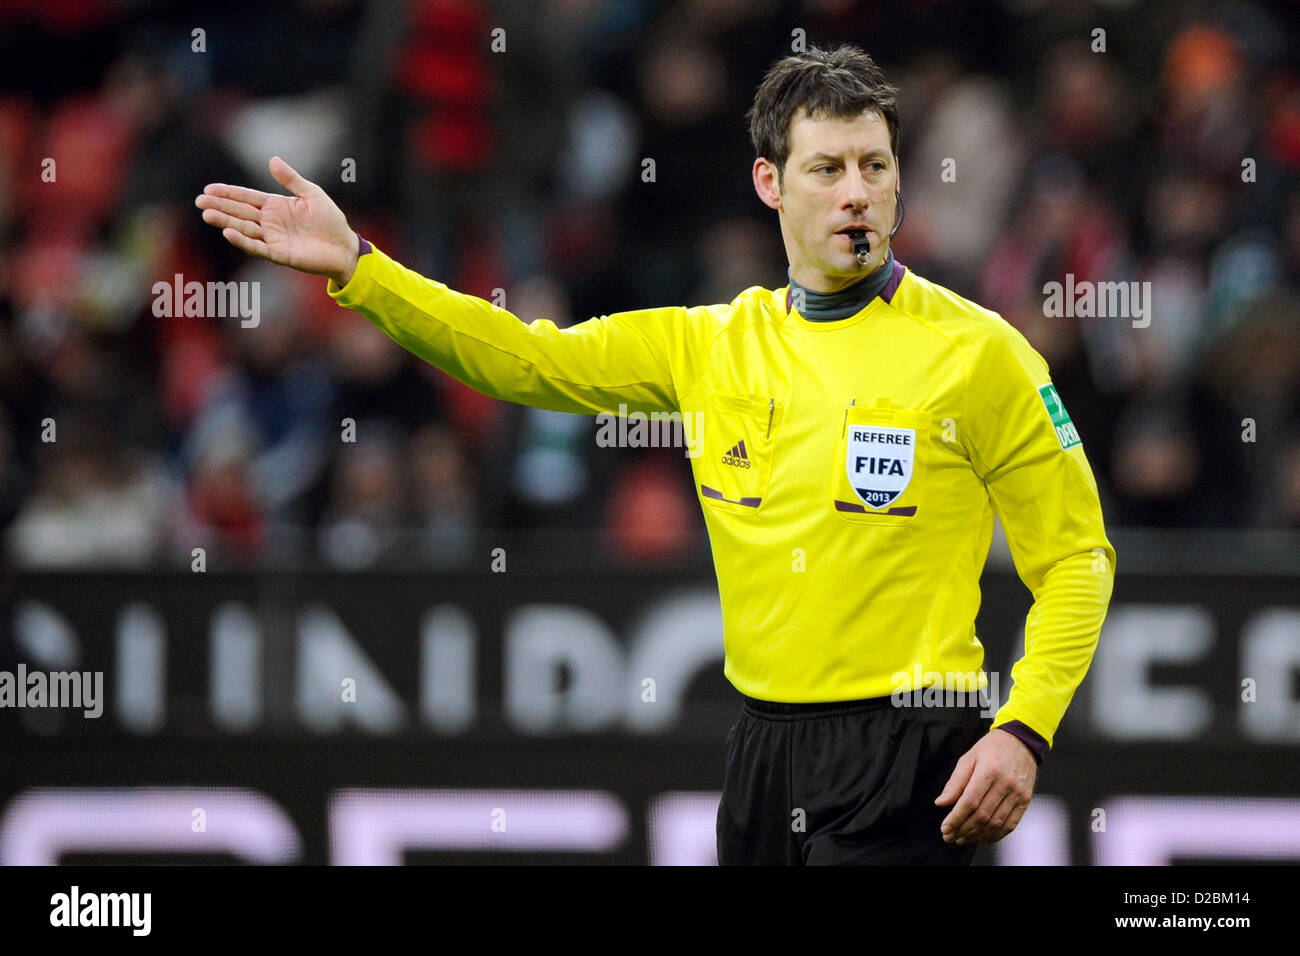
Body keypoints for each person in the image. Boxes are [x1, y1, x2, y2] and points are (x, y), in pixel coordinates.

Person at [195, 43, 1115, 865]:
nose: (856, 192)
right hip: (763, 754)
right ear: (770, 184)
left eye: (876, 166)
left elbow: (1077, 556)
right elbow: (530, 360)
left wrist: (1024, 729)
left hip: (913, 753)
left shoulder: (981, 354)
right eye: (828, 167)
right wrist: (363, 267)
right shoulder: (710, 344)